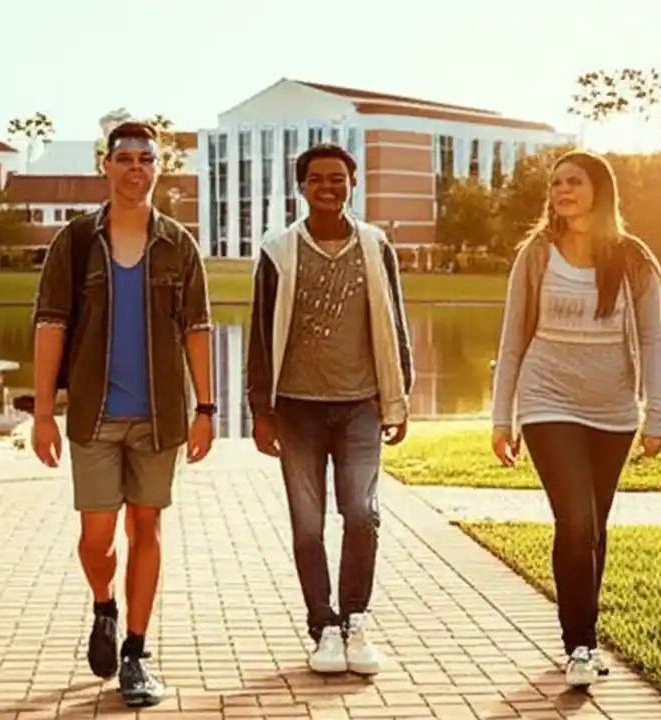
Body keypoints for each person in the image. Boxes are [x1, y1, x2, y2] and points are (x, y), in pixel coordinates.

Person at [30, 121, 216, 708]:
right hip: (94, 416)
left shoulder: (178, 245)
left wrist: (206, 408)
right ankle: (104, 606)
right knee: (97, 537)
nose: (136, 167)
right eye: (126, 157)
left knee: (147, 528)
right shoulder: (75, 242)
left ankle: (136, 651)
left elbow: (197, 329)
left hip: (160, 418)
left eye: (146, 158)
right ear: (105, 166)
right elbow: (50, 326)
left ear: (158, 168)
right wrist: (42, 413)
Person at [489, 150, 661, 688]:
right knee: (575, 520)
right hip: (547, 400)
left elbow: (653, 340)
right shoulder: (536, 255)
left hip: (613, 410)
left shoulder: (634, 260)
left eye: (574, 181)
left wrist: (657, 416)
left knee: (593, 526)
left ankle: (583, 638)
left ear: (600, 190)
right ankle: (580, 645)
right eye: (556, 183)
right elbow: (512, 339)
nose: (562, 190)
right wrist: (502, 419)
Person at [245, 142, 413, 676]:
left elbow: (395, 322)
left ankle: (356, 619)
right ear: (302, 188)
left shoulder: (376, 246)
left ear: (352, 183)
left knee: (361, 513)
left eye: (337, 178)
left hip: (361, 404)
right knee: (307, 523)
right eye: (316, 178)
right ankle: (324, 627)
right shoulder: (278, 251)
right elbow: (259, 336)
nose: (327, 187)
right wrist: (260, 410)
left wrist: (398, 397)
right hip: (297, 409)